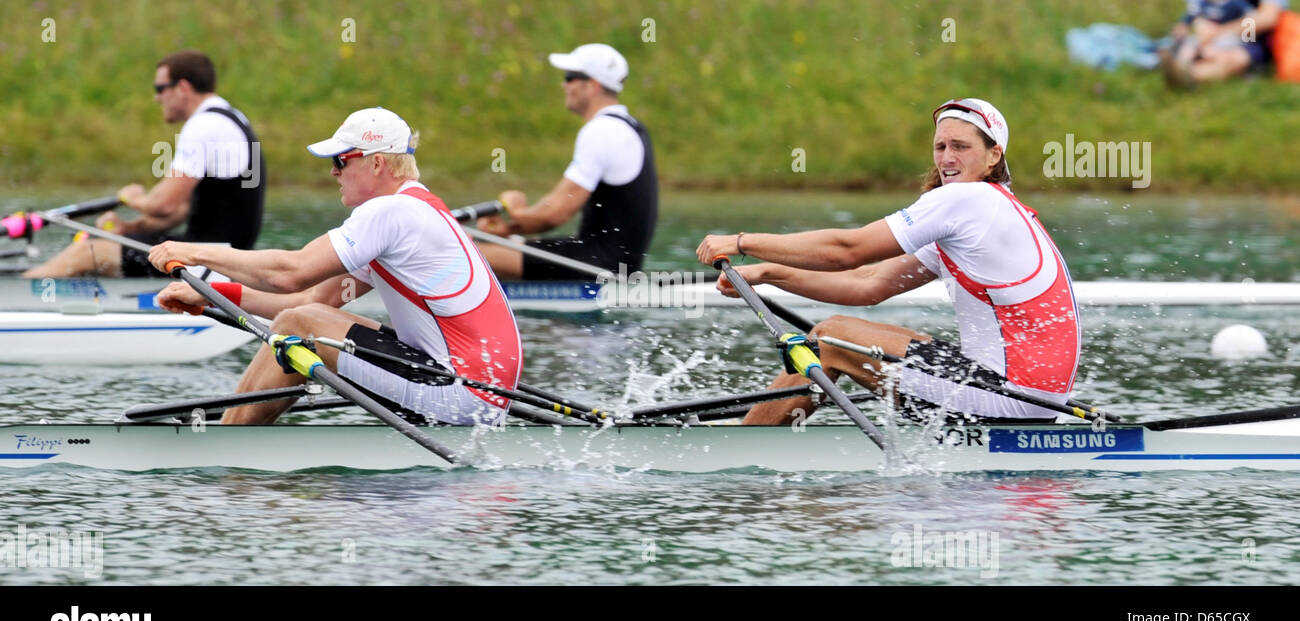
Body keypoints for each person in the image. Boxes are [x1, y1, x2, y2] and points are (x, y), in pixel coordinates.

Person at [696, 98, 1080, 425]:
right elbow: (869, 283)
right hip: (1027, 396)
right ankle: (759, 431)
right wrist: (769, 273)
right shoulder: (989, 210)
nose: (947, 158)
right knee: (842, 333)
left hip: (1008, 399)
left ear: (994, 155)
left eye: (960, 147)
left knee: (829, 340)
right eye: (940, 146)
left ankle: (744, 444)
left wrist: (743, 241)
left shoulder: (969, 200)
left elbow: (848, 250)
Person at [149, 108, 522, 426]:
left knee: (301, 326)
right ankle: (237, 434)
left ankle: (225, 445)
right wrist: (210, 293)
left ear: (377, 162)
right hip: (475, 389)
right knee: (303, 317)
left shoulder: (390, 212)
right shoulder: (414, 209)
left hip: (462, 391)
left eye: (341, 160)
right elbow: (307, 297)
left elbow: (289, 272)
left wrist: (197, 253)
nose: (333, 172)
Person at [24, 50, 264, 279]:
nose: (157, 97)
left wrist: (133, 197)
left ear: (182, 88)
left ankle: (16, 299)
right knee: (100, 245)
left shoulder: (204, 126)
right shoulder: (230, 117)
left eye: (160, 88)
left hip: (211, 259)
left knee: (87, 253)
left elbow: (165, 205)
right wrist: (129, 228)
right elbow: (180, 211)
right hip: (219, 251)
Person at [475, 43, 658, 280]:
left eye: (569, 77)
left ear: (591, 85)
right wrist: (510, 230)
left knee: (467, 254)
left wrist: (517, 210)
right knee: (508, 245)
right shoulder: (630, 126)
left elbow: (555, 213)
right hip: (610, 261)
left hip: (598, 265)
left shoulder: (602, 131)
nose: (563, 85)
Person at [1161, 0, 1290, 86]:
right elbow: (1194, 15)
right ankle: (1182, 65)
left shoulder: (1238, 5)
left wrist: (1219, 32)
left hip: (1252, 41)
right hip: (1213, 41)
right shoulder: (1207, 4)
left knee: (1231, 58)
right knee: (1193, 46)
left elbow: (1266, 19)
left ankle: (1190, 75)